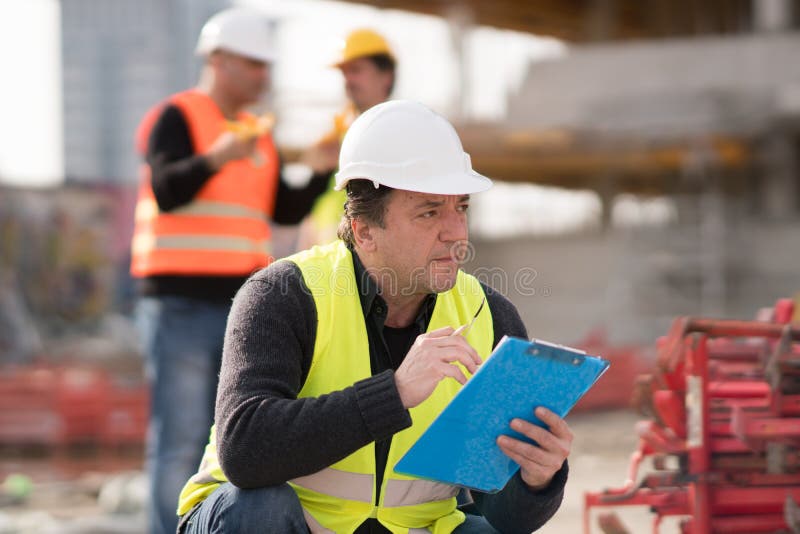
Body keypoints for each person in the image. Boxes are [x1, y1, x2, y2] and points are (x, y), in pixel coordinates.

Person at [176, 100, 571, 534]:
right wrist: (395, 393)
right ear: (364, 229)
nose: (456, 232)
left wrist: (538, 480)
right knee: (257, 509)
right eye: (429, 211)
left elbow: (502, 517)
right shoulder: (282, 295)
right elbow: (244, 451)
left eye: (461, 207)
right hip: (290, 523)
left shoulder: (489, 316)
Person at [130, 8, 332, 534]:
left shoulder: (257, 137)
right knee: (179, 437)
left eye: (267, 66)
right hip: (178, 301)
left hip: (242, 306)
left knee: (229, 436)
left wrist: (318, 169)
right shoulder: (178, 117)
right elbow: (167, 189)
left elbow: (282, 210)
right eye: (252, 64)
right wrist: (216, 158)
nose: (263, 76)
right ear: (217, 61)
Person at [296, 28, 397, 249]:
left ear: (386, 75)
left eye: (356, 70)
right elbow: (318, 204)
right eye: (344, 72)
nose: (348, 79)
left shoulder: (400, 134)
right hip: (327, 261)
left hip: (371, 260)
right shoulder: (336, 135)